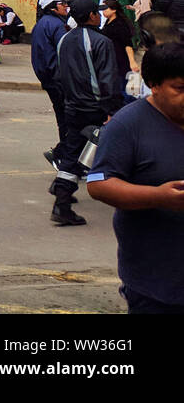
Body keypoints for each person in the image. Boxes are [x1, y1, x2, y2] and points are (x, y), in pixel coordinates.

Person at [87, 40, 184, 313]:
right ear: (153, 84)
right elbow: (99, 184)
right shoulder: (127, 125)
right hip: (157, 280)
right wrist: (159, 197)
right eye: (180, 88)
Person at [51, 0, 122, 226]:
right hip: (96, 108)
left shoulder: (64, 40)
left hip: (73, 107)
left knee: (72, 152)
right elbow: (108, 79)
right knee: (118, 150)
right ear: (92, 15)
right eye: (97, 12)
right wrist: (113, 109)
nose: (100, 14)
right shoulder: (101, 41)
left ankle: (62, 198)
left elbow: (59, 76)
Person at [32, 0, 74, 166]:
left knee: (63, 118)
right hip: (59, 79)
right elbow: (66, 50)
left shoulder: (41, 24)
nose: (66, 6)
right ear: (52, 8)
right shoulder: (56, 25)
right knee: (69, 120)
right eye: (62, 4)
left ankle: (63, 155)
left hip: (49, 79)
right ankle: (63, 156)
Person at [101, 0, 137, 106]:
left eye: (105, 8)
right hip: (113, 58)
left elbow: (127, 43)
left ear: (114, 10)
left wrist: (132, 61)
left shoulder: (120, 24)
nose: (102, 11)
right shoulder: (108, 22)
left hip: (121, 58)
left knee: (126, 86)